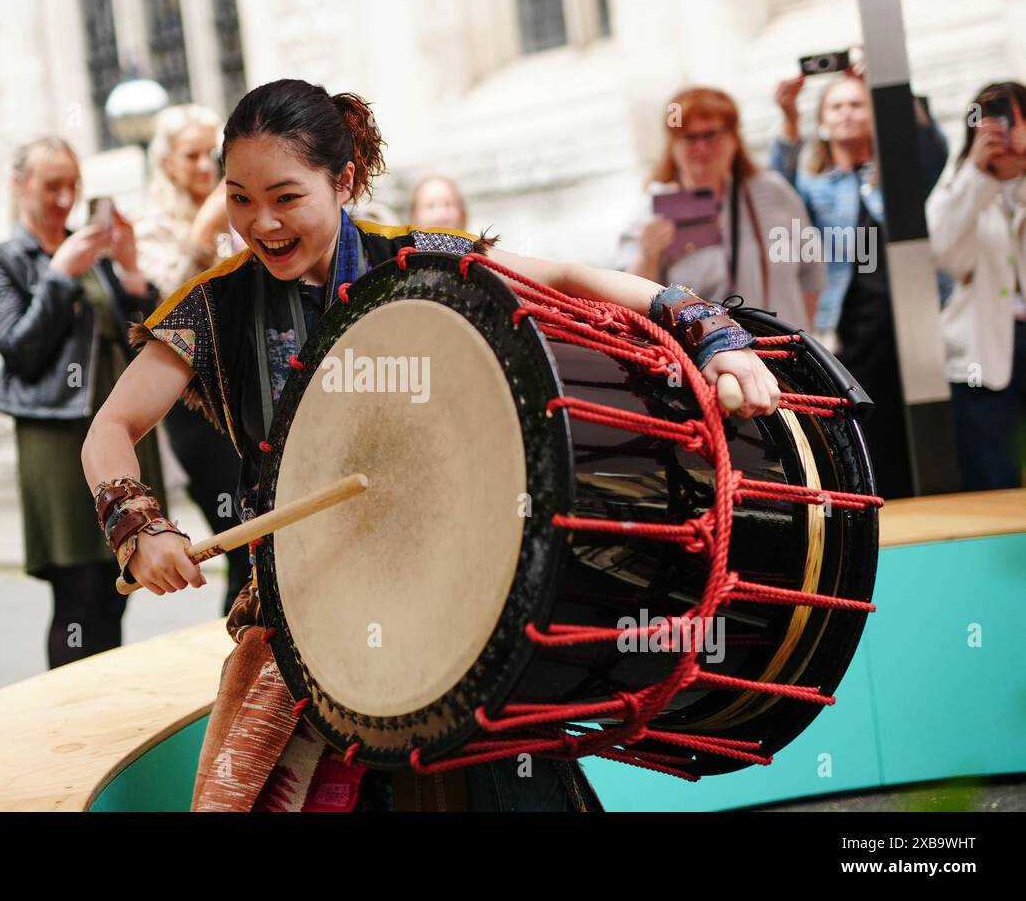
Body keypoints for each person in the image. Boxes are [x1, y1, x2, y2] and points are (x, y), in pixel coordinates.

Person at [81, 78, 781, 812]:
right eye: (240, 198)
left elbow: (569, 278)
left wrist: (712, 335)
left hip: (462, 603)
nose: (263, 223)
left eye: (287, 197)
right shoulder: (218, 304)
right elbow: (110, 430)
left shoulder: (421, 259)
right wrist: (138, 529)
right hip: (310, 633)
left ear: (343, 179)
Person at [0, 136, 162, 669]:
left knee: (118, 578)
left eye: (72, 185)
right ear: (19, 186)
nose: (64, 198)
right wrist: (58, 276)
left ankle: (107, 705)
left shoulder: (93, 254)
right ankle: (71, 709)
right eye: (50, 185)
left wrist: (128, 268)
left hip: (117, 431)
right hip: (55, 439)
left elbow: (146, 338)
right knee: (77, 592)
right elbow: (20, 349)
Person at [773, 72, 949, 498]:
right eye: (837, 106)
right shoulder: (814, 181)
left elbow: (931, 150)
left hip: (914, 315)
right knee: (865, 415)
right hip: (849, 321)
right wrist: (788, 117)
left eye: (857, 104)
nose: (847, 114)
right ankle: (874, 499)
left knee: (922, 412)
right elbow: (778, 190)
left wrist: (889, 85)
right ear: (823, 121)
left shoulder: (894, 171)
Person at [135, 105, 250, 614]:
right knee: (237, 537)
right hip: (195, 398)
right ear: (166, 162)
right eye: (192, 155)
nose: (207, 165)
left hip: (253, 382)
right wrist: (204, 230)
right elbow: (167, 304)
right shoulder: (150, 224)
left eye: (213, 153)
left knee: (267, 537)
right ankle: (239, 657)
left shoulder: (245, 205)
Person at [619, 87, 824, 334]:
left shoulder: (772, 191)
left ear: (733, 137)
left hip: (784, 353)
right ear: (672, 145)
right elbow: (630, 300)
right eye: (689, 138)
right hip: (707, 364)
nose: (702, 147)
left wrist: (804, 339)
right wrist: (648, 255)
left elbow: (811, 271)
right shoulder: (653, 211)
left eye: (711, 134)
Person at [927, 82, 1026, 490]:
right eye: (989, 123)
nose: (1001, 132)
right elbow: (944, 254)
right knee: (990, 477)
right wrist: (976, 174)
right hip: (978, 359)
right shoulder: (957, 186)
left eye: (1013, 121)